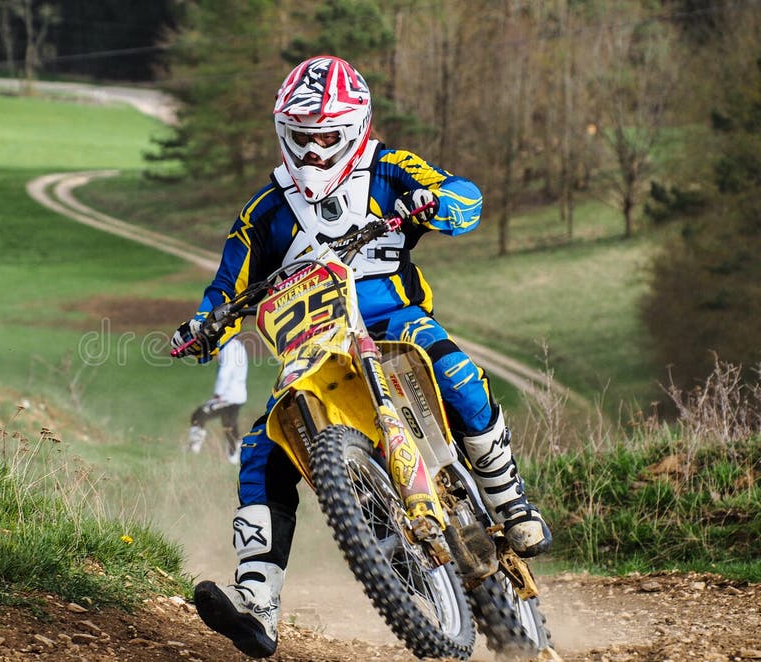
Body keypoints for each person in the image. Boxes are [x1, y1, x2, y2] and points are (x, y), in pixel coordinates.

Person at [170, 55, 552, 658]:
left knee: (454, 371)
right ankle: (257, 602)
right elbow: (226, 287)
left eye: (329, 135)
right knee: (263, 451)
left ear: (355, 125)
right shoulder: (264, 210)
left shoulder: (388, 167)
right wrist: (201, 327)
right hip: (310, 346)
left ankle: (509, 498)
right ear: (284, 133)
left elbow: (463, 193)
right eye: (304, 136)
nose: (317, 150)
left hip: (393, 324)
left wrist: (437, 203)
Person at [186, 337, 248, 464]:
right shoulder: (238, 345)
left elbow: (226, 370)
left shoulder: (228, 347)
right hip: (239, 394)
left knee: (199, 415)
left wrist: (218, 393)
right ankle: (235, 455)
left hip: (228, 396)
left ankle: (194, 448)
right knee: (229, 424)